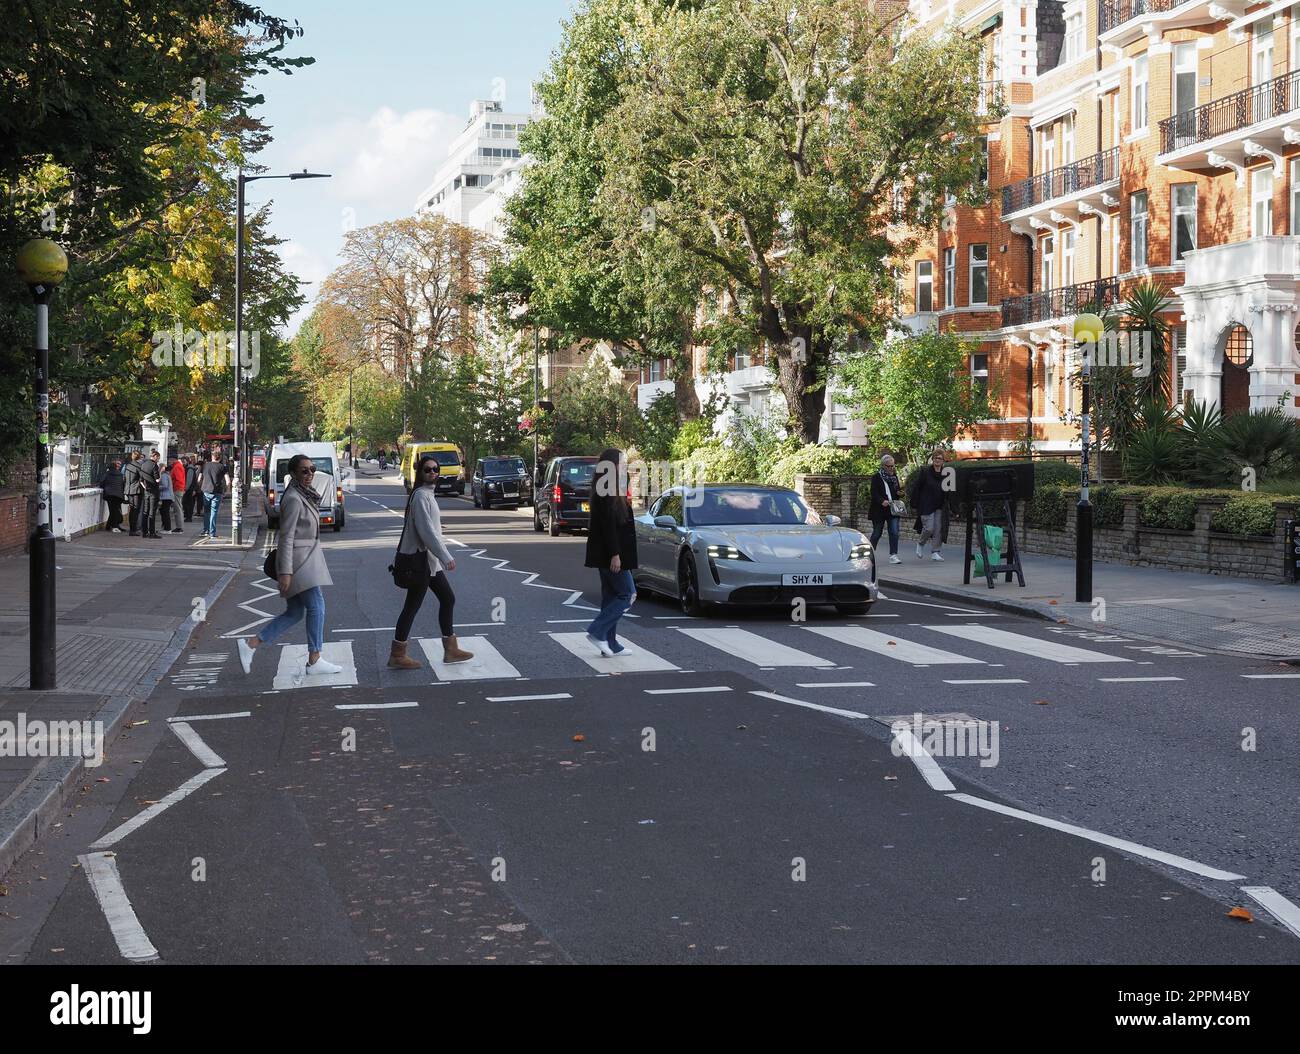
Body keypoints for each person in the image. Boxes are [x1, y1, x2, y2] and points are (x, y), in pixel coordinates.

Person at [237, 454, 341, 678]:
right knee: (317, 606)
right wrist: (285, 572)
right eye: (304, 471)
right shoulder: (294, 498)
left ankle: (251, 644)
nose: (310, 474)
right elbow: (286, 537)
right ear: (293, 473)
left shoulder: (304, 494)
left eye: (312, 469)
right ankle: (314, 659)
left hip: (306, 558)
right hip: (299, 562)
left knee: (294, 613)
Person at [388, 454, 472, 669]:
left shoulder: (426, 494)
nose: (433, 472)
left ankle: (450, 649)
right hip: (421, 562)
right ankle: (398, 654)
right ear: (420, 472)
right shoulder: (421, 497)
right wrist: (446, 557)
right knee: (412, 606)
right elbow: (427, 532)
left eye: (435, 469)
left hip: (428, 563)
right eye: (428, 469)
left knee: (447, 598)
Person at [584, 447, 637, 656]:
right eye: (622, 462)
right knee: (628, 594)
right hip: (610, 553)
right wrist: (615, 554)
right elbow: (608, 525)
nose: (624, 465)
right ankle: (597, 632)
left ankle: (611, 643)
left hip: (609, 551)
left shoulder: (612, 485)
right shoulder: (606, 488)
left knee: (611, 596)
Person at [907, 448, 953, 562]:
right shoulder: (925, 472)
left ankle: (935, 552)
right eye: (935, 458)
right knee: (929, 528)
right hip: (926, 504)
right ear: (932, 459)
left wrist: (953, 507)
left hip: (939, 505)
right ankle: (920, 543)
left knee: (938, 529)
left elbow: (950, 491)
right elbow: (917, 487)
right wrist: (915, 503)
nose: (937, 460)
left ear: (943, 461)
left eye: (940, 458)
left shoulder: (947, 473)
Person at [868, 454, 904, 567]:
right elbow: (873, 493)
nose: (891, 468)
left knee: (894, 531)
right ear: (883, 466)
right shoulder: (876, 477)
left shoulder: (894, 477)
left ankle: (893, 555)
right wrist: (881, 501)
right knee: (877, 533)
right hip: (879, 510)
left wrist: (900, 493)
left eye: (893, 466)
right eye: (889, 466)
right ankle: (869, 554)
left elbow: (896, 490)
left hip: (892, 509)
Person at [199, 448, 230, 539]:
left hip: (206, 491)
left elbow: (199, 479)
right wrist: (228, 491)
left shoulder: (205, 465)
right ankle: (212, 533)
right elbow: (228, 481)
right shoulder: (222, 467)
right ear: (220, 458)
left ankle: (205, 531)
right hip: (217, 492)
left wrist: (201, 486)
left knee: (206, 512)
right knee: (214, 512)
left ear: (212, 457)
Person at [138, 449, 162, 538]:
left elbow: (140, 480)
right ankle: (152, 533)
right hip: (154, 491)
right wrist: (161, 472)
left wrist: (145, 488)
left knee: (145, 511)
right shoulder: (154, 465)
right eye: (158, 458)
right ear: (155, 456)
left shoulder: (143, 464)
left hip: (146, 491)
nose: (158, 460)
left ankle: (144, 532)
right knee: (152, 512)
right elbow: (157, 479)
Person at [100, 458, 126, 533]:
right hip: (118, 495)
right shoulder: (120, 474)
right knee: (115, 511)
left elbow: (102, 483)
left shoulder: (107, 474)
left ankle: (114, 526)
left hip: (110, 495)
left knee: (112, 511)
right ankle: (111, 526)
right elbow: (123, 484)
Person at [123, 451, 144, 535]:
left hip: (128, 490)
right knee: (136, 510)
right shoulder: (139, 466)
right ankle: (133, 530)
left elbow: (124, 478)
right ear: (139, 457)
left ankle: (132, 529)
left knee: (132, 509)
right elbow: (142, 479)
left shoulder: (128, 466)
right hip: (136, 490)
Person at [157, 456, 176, 532]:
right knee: (164, 512)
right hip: (167, 497)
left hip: (166, 497)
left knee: (165, 513)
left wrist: (157, 487)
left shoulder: (164, 476)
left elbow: (165, 486)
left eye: (159, 467)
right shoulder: (166, 475)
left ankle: (167, 528)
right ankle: (165, 527)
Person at [168, 455, 186, 532]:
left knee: (177, 508)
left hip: (177, 489)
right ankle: (179, 526)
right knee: (178, 508)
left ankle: (179, 526)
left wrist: (173, 487)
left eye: (169, 460)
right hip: (178, 489)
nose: (168, 461)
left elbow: (178, 480)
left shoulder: (177, 467)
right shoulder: (177, 466)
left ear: (173, 459)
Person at [182, 455, 201, 521]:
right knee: (188, 503)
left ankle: (188, 517)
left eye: (183, 461)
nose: (182, 463)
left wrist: (185, 489)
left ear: (187, 461)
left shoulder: (189, 469)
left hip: (189, 489)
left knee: (188, 503)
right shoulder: (189, 468)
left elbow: (189, 481)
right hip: (190, 489)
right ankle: (188, 516)